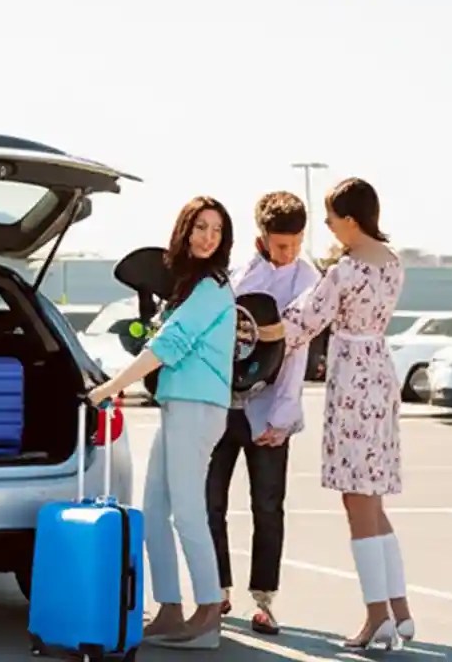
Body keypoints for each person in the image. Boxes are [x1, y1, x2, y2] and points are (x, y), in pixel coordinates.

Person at [87, 195, 237, 650]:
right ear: (185, 231)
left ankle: (209, 611)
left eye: (217, 230)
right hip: (177, 404)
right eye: (201, 227)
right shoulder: (188, 287)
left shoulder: (212, 287)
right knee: (154, 509)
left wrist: (108, 389)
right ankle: (169, 607)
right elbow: (160, 340)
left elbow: (171, 344)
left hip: (199, 407)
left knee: (188, 509)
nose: (209, 237)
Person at [279, 177, 415, 650]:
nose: (329, 225)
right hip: (379, 373)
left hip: (352, 378)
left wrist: (256, 331)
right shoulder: (393, 264)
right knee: (372, 498)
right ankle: (399, 609)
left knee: (357, 500)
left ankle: (376, 616)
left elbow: (303, 320)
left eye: (332, 217)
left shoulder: (347, 270)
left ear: (350, 220)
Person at [206, 191, 319, 635]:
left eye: (293, 244)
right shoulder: (236, 271)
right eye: (279, 244)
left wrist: (284, 418)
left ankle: (265, 600)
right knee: (210, 502)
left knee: (267, 507)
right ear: (262, 237)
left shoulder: (309, 279)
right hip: (222, 405)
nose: (286, 253)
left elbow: (296, 355)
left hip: (272, 411)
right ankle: (218, 591)